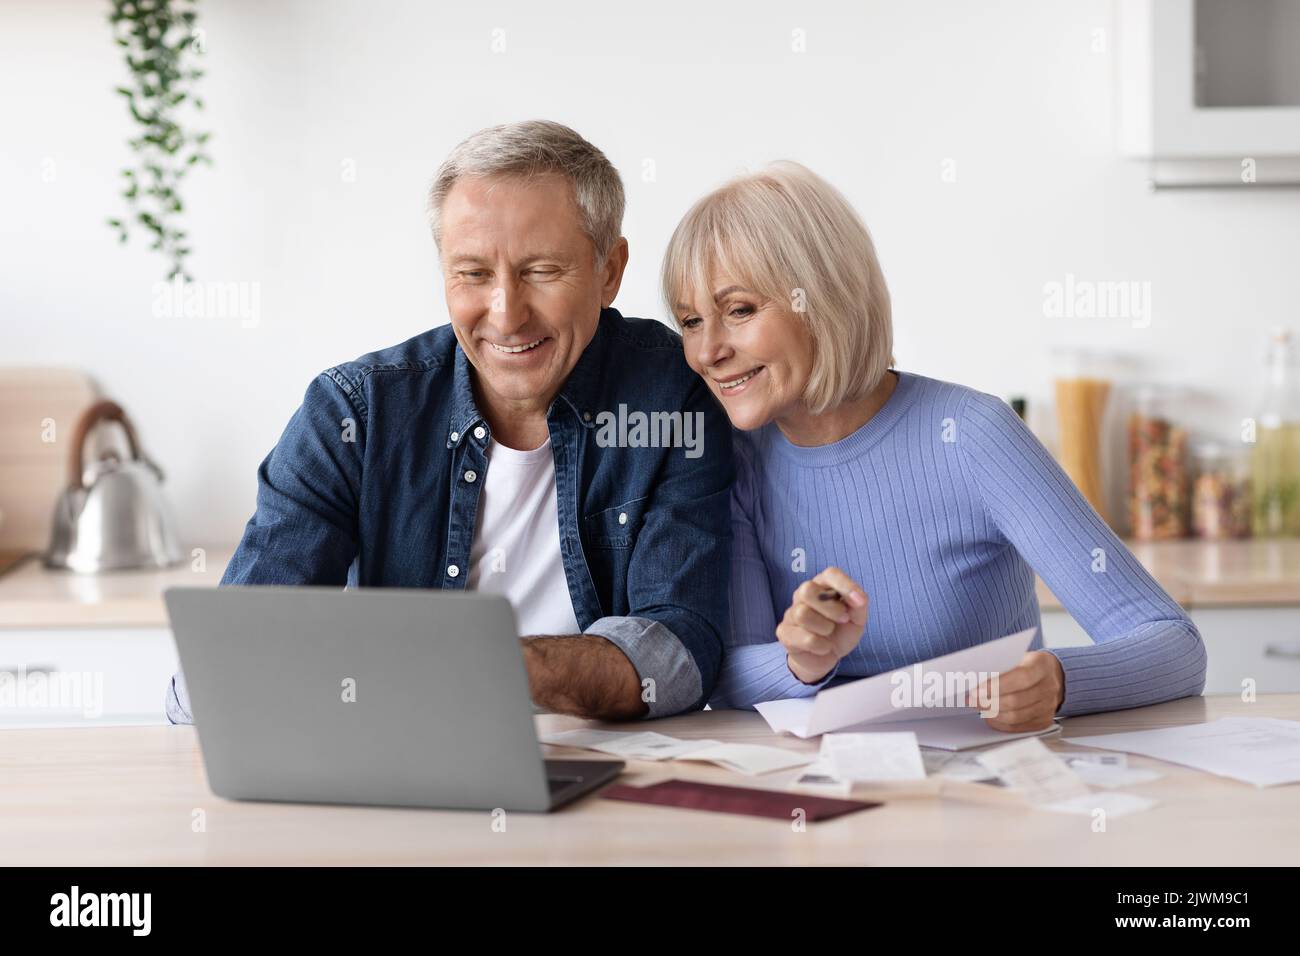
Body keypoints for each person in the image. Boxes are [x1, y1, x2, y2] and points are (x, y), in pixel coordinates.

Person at [166, 120, 733, 725]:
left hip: (606, 769)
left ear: (609, 271)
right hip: (400, 756)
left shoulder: (673, 397)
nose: (506, 314)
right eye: (473, 274)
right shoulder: (353, 413)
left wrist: (489, 664)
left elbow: (680, 649)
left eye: (540, 271)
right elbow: (220, 665)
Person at [661, 160, 1206, 732]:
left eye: (740, 310)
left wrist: (1059, 680)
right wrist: (802, 661)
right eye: (692, 321)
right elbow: (724, 677)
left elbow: (1175, 647)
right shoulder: (737, 460)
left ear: (822, 298)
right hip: (822, 800)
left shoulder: (971, 434)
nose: (707, 351)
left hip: (985, 799)